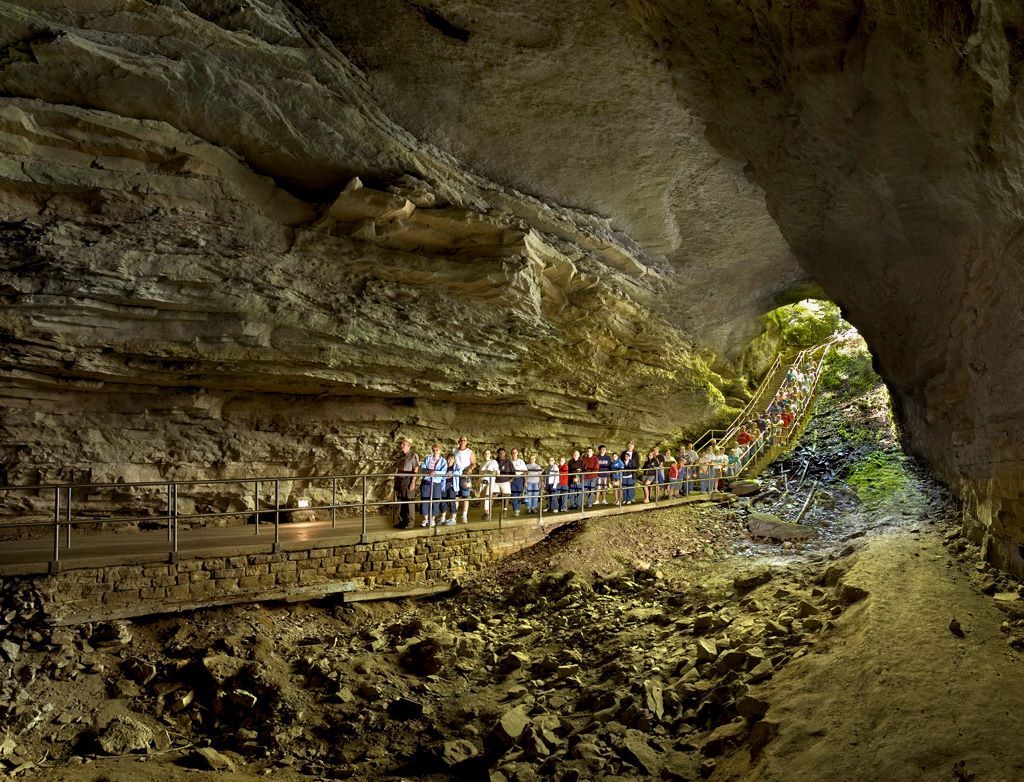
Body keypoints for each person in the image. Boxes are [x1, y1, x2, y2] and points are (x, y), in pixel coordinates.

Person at [393, 437, 419, 529]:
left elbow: (416, 469)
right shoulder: (401, 456)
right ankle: (402, 521)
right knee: (400, 502)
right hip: (400, 480)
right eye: (401, 444)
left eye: (403, 444)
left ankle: (410, 523)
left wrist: (413, 482)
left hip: (408, 479)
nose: (401, 446)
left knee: (409, 502)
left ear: (409, 446)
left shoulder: (413, 455)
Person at [419, 443, 447, 527]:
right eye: (434, 450)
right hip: (427, 482)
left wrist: (435, 472)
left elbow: (444, 471)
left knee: (435, 500)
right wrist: (429, 472)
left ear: (440, 451)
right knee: (425, 500)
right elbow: (423, 469)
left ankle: (432, 519)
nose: (435, 452)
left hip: (436, 483)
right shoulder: (427, 458)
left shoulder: (443, 461)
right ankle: (426, 519)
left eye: (437, 450)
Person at [452, 436, 477, 523]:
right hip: (456, 475)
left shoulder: (469, 452)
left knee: (465, 496)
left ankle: (464, 515)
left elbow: (474, 463)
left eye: (464, 440)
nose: (463, 442)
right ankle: (454, 516)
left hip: (465, 475)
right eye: (461, 440)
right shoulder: (454, 451)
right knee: (456, 496)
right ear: (459, 441)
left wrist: (470, 469)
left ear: (466, 442)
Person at [438, 453, 459, 525]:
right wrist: (446, 475)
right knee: (443, 501)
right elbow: (441, 475)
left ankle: (453, 518)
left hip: (452, 486)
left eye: (451, 459)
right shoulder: (444, 467)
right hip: (444, 486)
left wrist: (452, 473)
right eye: (448, 459)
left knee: (452, 501)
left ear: (453, 460)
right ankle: (443, 517)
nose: (449, 460)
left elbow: (459, 472)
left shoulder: (456, 466)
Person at [479, 448, 498, 520]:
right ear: (483, 455)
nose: (486, 454)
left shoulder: (493, 462)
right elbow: (480, 473)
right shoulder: (482, 463)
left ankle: (488, 514)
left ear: (490, 454)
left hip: (490, 481)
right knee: (483, 498)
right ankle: (486, 513)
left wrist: (487, 472)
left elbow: (496, 472)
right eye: (485, 453)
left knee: (488, 496)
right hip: (482, 482)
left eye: (488, 453)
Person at [494, 447, 515, 514]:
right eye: (500, 453)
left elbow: (513, 471)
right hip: (496, 481)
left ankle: (505, 510)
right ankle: (489, 511)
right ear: (498, 454)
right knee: (493, 495)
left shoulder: (508, 462)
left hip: (505, 481)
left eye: (503, 452)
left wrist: (511, 479)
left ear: (505, 453)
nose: (501, 454)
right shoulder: (495, 461)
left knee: (506, 495)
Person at [510, 447, 527, 516]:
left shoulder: (521, 461)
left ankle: (518, 508)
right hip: (512, 479)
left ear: (517, 453)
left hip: (520, 478)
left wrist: (525, 481)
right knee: (514, 494)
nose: (514, 454)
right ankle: (516, 510)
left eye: (515, 452)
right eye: (513, 452)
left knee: (519, 494)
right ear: (511, 454)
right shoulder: (509, 462)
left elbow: (525, 471)